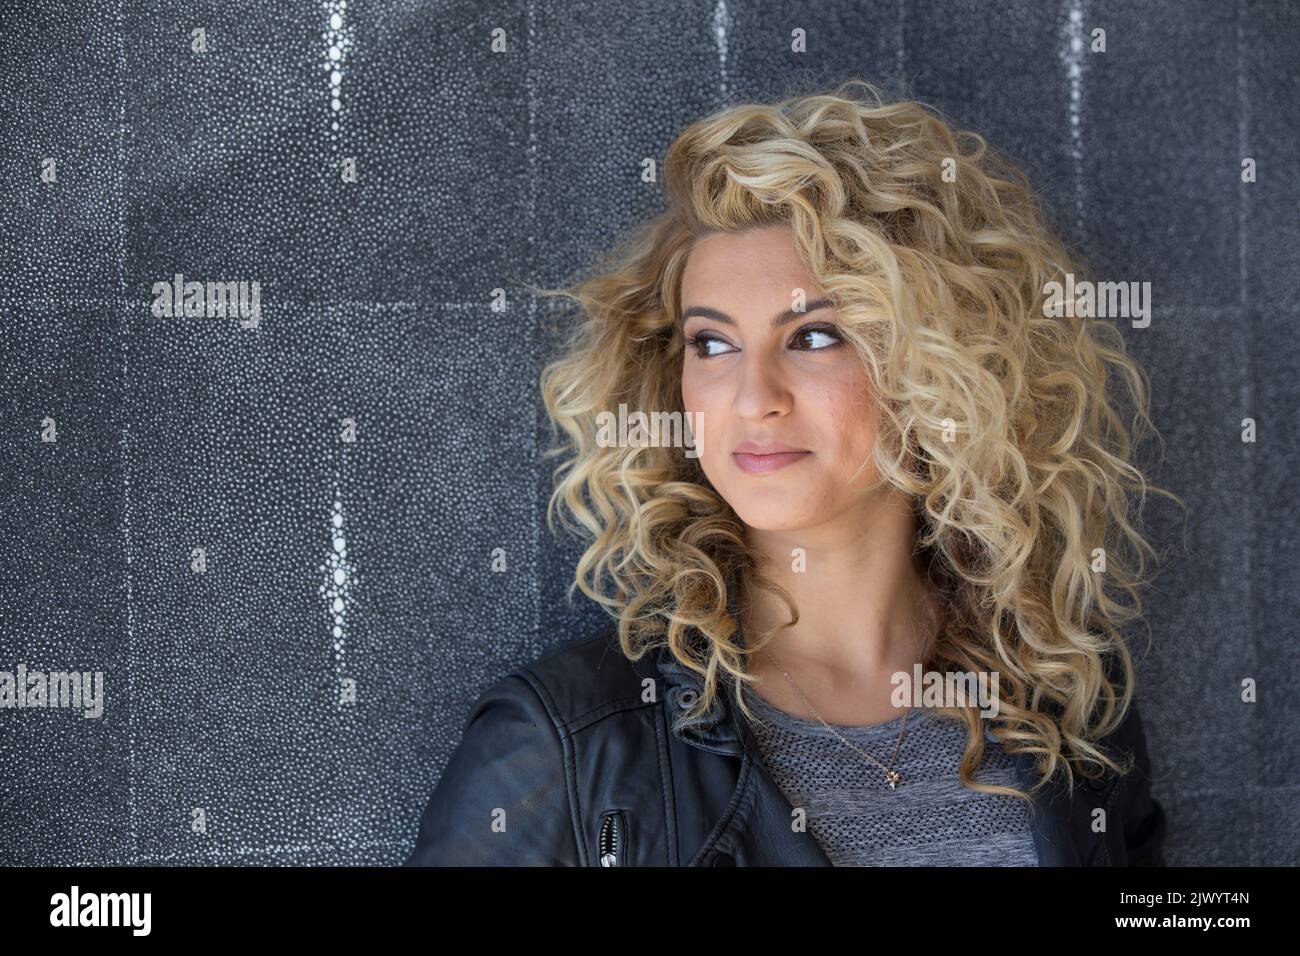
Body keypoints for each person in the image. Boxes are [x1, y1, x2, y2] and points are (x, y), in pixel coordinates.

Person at [406, 80, 1177, 866]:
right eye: (712, 344)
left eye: (812, 337)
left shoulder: (1067, 694)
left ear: (937, 367)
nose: (753, 399)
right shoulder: (566, 747)